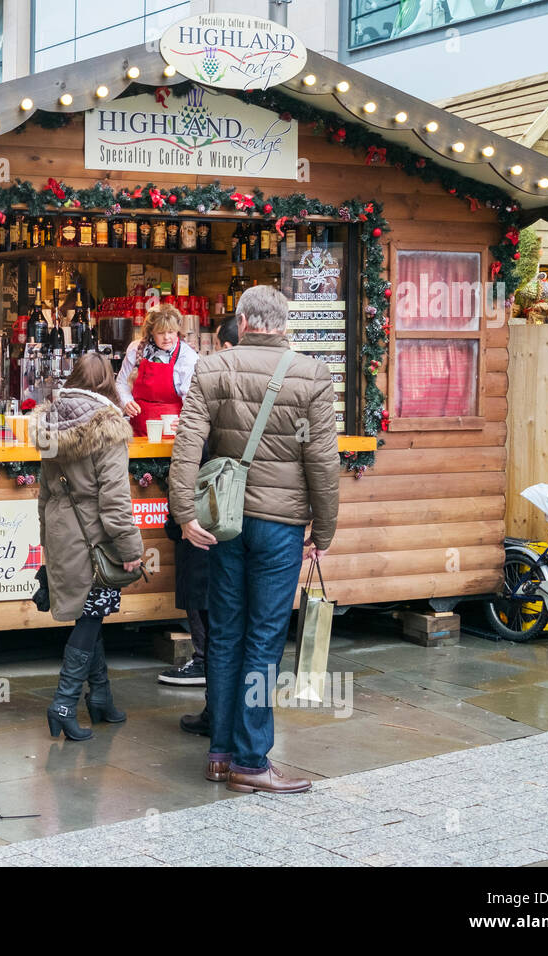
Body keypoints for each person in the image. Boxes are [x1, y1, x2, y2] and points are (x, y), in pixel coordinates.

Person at [169, 286, 339, 794]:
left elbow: (187, 444)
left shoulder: (211, 367)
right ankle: (251, 760)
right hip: (281, 525)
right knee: (264, 640)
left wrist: (183, 513)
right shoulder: (312, 375)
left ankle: (220, 754)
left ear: (242, 321)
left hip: (224, 522)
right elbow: (322, 462)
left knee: (223, 634)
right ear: (283, 323)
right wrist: (324, 528)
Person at [31, 352, 143, 741]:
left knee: (89, 612)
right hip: (93, 538)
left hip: (62, 531)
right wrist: (131, 549)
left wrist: (46, 539)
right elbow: (114, 501)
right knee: (91, 616)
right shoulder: (109, 427)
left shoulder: (49, 421)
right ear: (107, 383)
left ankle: (101, 698)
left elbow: (45, 493)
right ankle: (62, 703)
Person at [160, 314, 240, 691]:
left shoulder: (208, 384)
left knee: (198, 582)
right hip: (245, 509)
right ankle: (224, 667)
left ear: (223, 346)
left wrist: (181, 516)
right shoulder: (273, 381)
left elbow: (188, 453)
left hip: (209, 505)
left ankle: (208, 661)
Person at [115, 304, 200, 437]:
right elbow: (121, 383)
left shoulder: (187, 357)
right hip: (137, 432)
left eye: (171, 331)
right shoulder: (136, 349)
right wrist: (126, 401)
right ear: (151, 332)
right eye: (161, 332)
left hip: (172, 432)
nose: (167, 337)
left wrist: (186, 421)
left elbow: (192, 398)